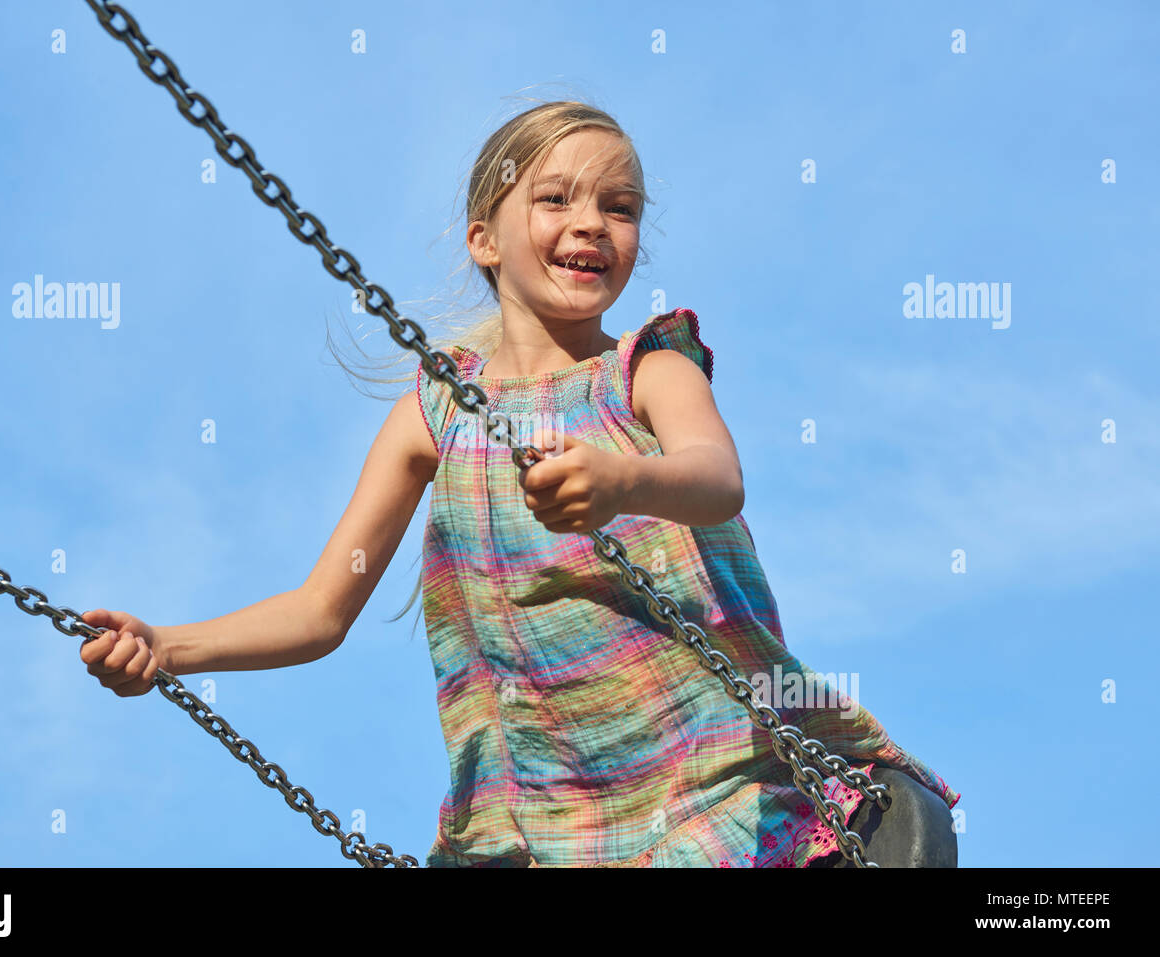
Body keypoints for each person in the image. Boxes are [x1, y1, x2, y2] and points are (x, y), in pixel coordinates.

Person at [79, 100, 960, 868]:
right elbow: (320, 610)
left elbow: (715, 478)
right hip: (546, 819)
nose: (592, 224)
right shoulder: (437, 414)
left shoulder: (645, 366)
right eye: (555, 198)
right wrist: (168, 646)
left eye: (620, 207)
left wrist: (623, 481)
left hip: (714, 779)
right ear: (483, 239)